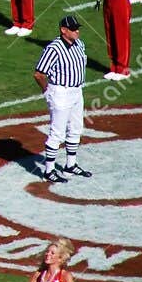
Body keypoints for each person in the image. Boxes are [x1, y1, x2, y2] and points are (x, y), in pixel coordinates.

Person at [33, 14, 89, 182]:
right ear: (63, 30)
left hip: (77, 91)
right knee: (57, 133)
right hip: (60, 92)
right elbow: (39, 74)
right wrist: (47, 91)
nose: (77, 31)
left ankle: (70, 166)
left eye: (77, 28)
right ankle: (49, 171)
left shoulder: (79, 44)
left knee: (75, 129)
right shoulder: (53, 48)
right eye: (73, 29)